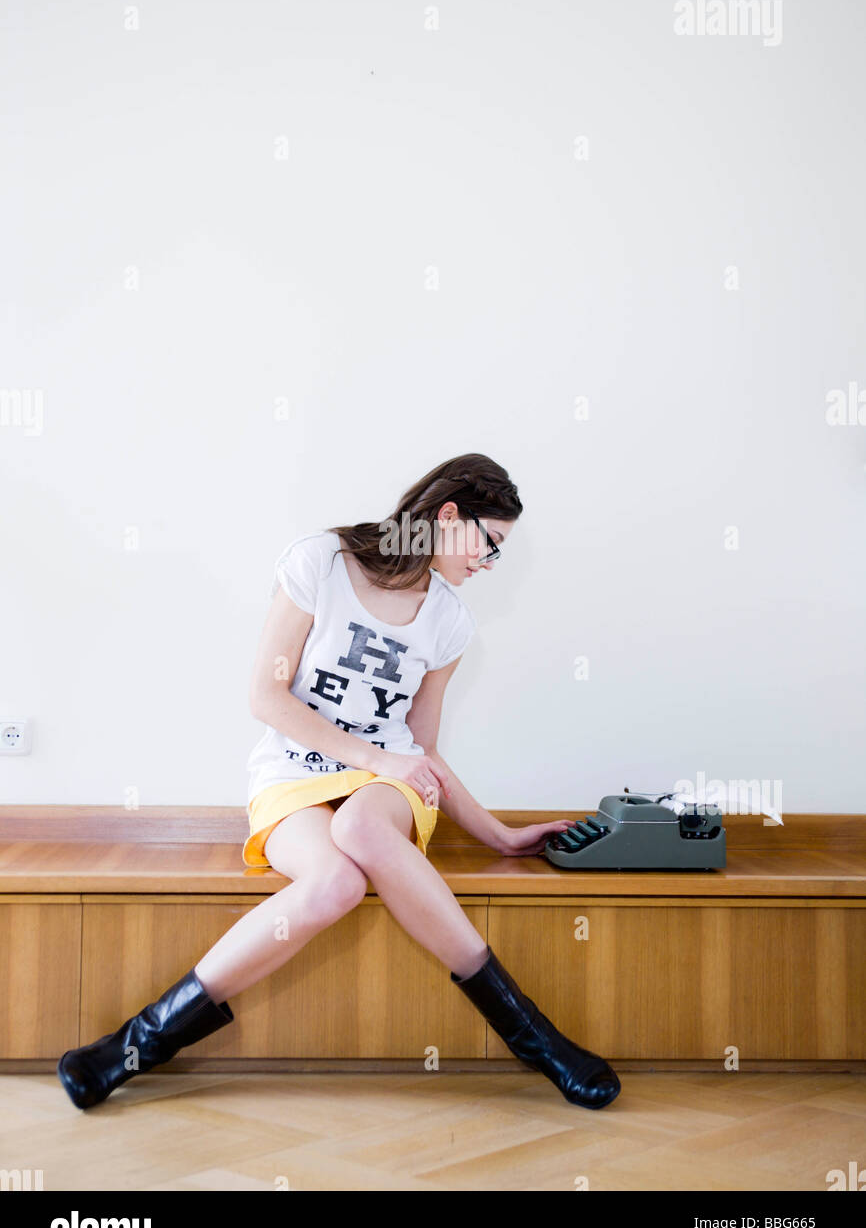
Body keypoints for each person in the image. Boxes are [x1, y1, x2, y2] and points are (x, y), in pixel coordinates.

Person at [56, 453, 620, 1111]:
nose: (489, 564)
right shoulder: (320, 563)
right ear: (447, 516)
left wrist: (499, 834)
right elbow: (267, 698)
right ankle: (138, 1042)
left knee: (358, 827)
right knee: (335, 883)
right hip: (294, 774)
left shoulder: (449, 621)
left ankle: (538, 1040)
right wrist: (379, 760)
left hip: (387, 790)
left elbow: (422, 749)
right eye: (490, 544)